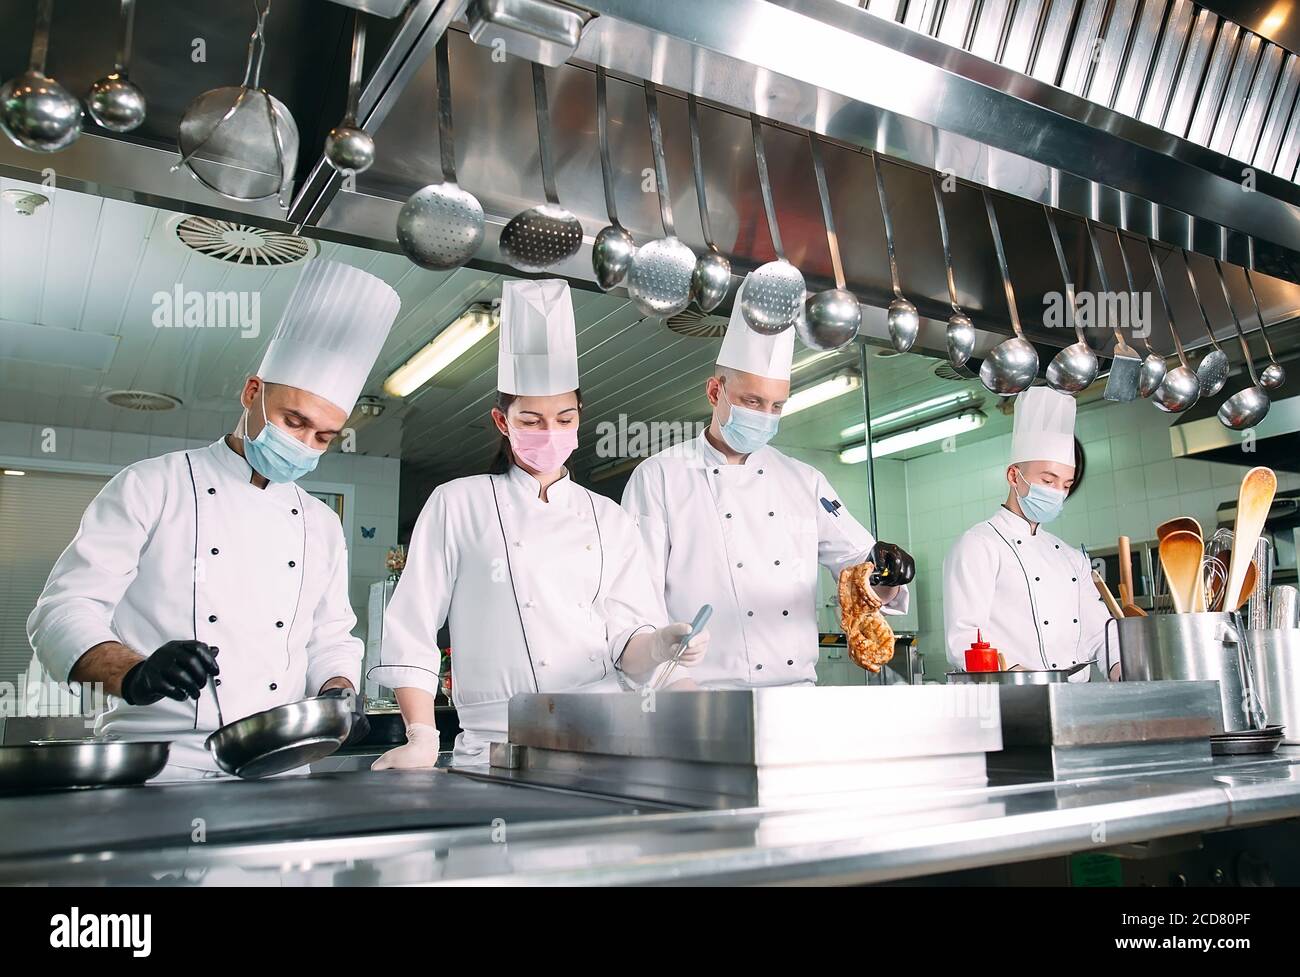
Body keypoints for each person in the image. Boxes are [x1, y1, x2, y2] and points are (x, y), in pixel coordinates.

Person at [27, 259, 399, 778]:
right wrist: (134, 672)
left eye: (323, 437)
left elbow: (331, 636)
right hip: (158, 764)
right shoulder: (152, 485)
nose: (305, 444)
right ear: (253, 393)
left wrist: (338, 690)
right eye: (294, 421)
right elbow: (61, 611)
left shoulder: (320, 523)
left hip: (282, 765)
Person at [370, 279, 708, 768]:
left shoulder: (608, 518)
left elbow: (626, 644)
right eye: (531, 421)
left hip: (599, 740)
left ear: (578, 419)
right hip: (492, 746)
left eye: (564, 418)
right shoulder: (458, 503)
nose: (550, 432)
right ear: (502, 421)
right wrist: (422, 735)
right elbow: (412, 625)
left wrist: (658, 644)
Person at [621, 305, 913, 689]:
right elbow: (636, 601)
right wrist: (673, 683)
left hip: (796, 696)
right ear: (715, 391)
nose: (765, 416)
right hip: (699, 695)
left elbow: (856, 565)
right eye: (753, 402)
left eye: (777, 406)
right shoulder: (660, 477)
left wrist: (887, 575)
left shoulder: (804, 480)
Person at [942, 386, 1114, 681]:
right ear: (1013, 476)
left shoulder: (1072, 558)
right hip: (1013, 701)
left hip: (1076, 701)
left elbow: (1100, 632)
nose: (1057, 493)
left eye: (1066, 484)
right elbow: (964, 638)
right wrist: (1020, 677)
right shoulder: (979, 545)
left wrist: (1119, 666)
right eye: (1048, 480)